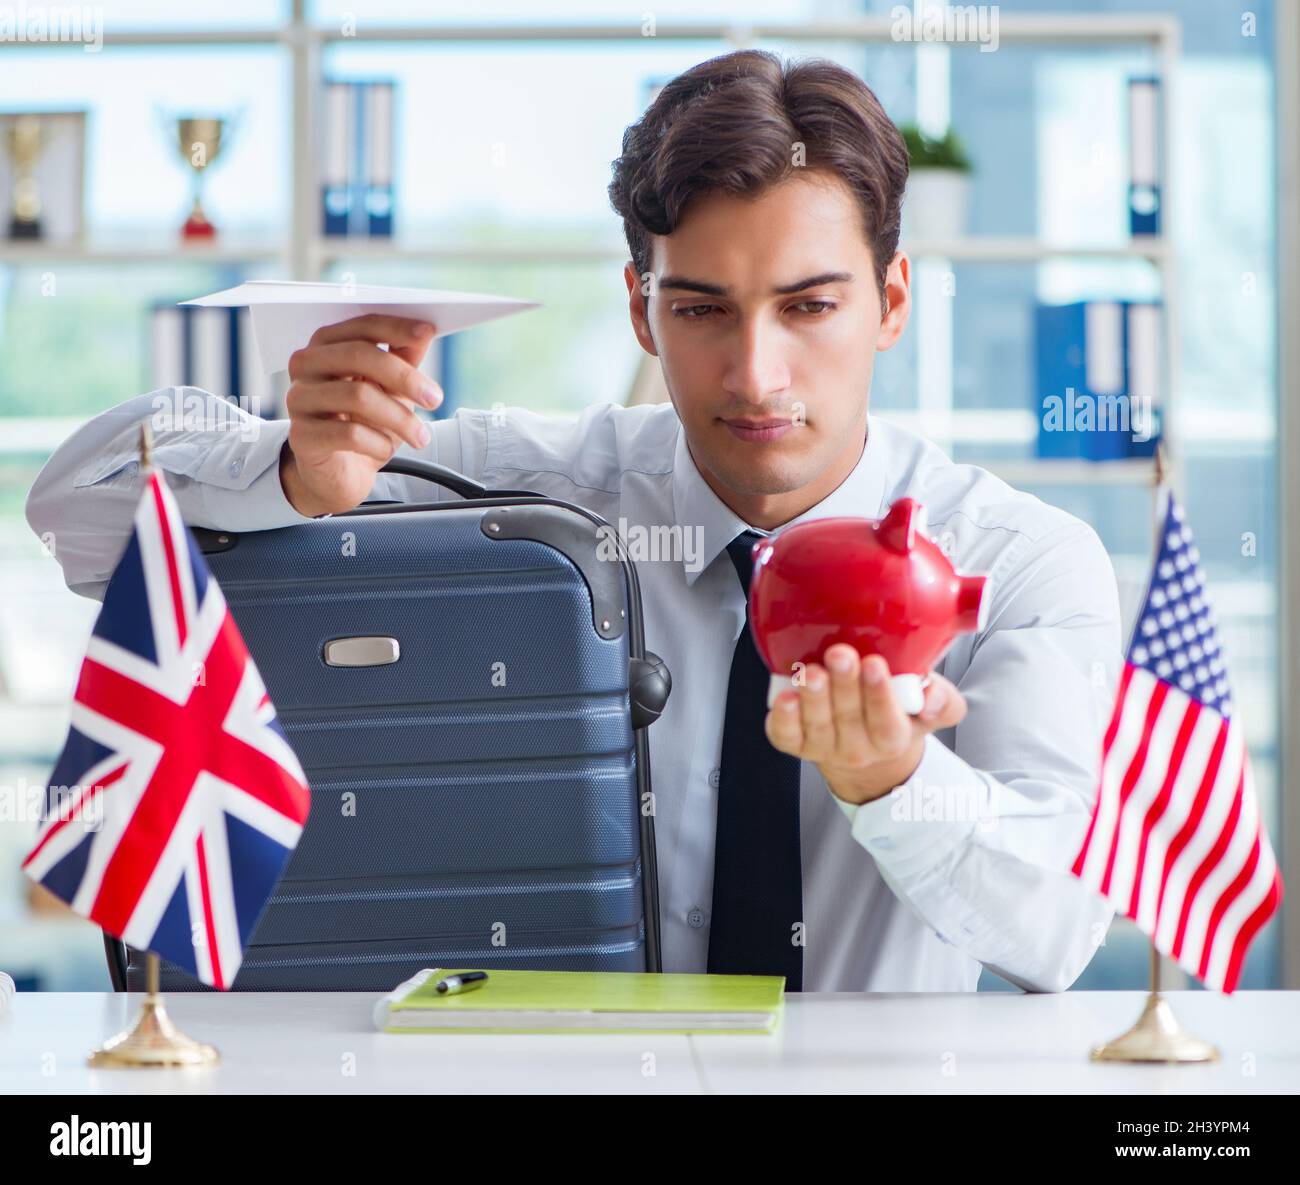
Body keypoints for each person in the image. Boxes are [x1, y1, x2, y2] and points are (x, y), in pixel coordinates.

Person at [26, 49, 1120, 992]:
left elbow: (1059, 931)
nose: (754, 372)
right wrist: (292, 473)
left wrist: (895, 782)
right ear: (639, 307)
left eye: (809, 305)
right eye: (699, 308)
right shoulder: (535, 493)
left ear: (891, 302)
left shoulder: (1017, 561)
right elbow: (79, 513)